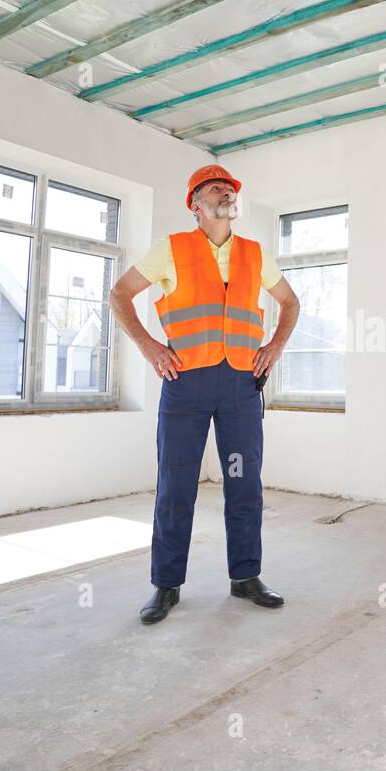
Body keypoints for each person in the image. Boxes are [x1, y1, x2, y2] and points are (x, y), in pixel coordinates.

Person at [109, 164, 301, 624]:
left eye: (231, 188)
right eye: (215, 187)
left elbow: (290, 303)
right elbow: (119, 294)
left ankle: (245, 577)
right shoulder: (170, 249)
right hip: (185, 382)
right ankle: (166, 585)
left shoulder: (255, 254)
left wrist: (274, 346)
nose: (226, 192)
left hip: (240, 385)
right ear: (196, 203)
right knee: (176, 488)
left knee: (244, 485)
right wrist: (149, 345)